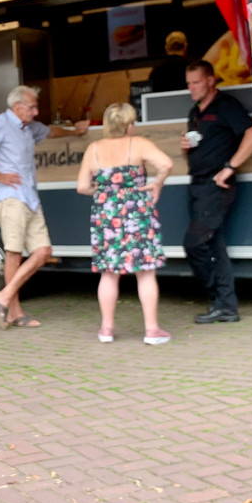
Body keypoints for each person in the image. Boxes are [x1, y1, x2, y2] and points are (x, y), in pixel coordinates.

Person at [0, 85, 86, 329]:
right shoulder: (1, 123)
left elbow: (49, 131)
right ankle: (14, 312)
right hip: (11, 198)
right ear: (17, 106)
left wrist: (75, 131)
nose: (36, 111)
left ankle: (4, 296)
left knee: (43, 252)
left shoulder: (28, 127)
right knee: (13, 253)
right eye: (32, 107)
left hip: (30, 197)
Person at [76, 103, 174, 344]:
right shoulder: (138, 143)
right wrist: (157, 183)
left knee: (108, 273)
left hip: (106, 214)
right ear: (130, 125)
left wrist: (105, 192)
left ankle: (106, 330)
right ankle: (151, 330)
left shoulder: (94, 148)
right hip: (136, 211)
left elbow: (82, 187)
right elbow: (166, 164)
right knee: (146, 272)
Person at [181, 59, 252, 324]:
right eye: (188, 84)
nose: (191, 88)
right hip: (197, 184)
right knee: (214, 244)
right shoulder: (194, 112)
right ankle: (225, 306)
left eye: (196, 82)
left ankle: (219, 297)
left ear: (210, 80)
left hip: (216, 186)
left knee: (195, 243)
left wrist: (230, 167)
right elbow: (197, 147)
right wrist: (186, 148)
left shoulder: (226, 106)